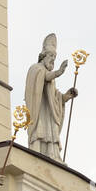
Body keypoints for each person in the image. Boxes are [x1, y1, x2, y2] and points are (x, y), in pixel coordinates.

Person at [24, 33, 77, 161]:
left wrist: (65, 97)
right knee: (40, 131)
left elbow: (55, 96)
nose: (53, 59)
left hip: (49, 112)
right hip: (40, 110)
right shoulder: (36, 69)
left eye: (55, 56)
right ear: (44, 56)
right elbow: (44, 77)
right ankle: (37, 152)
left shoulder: (50, 75)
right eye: (51, 56)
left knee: (51, 132)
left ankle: (52, 155)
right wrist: (58, 72)